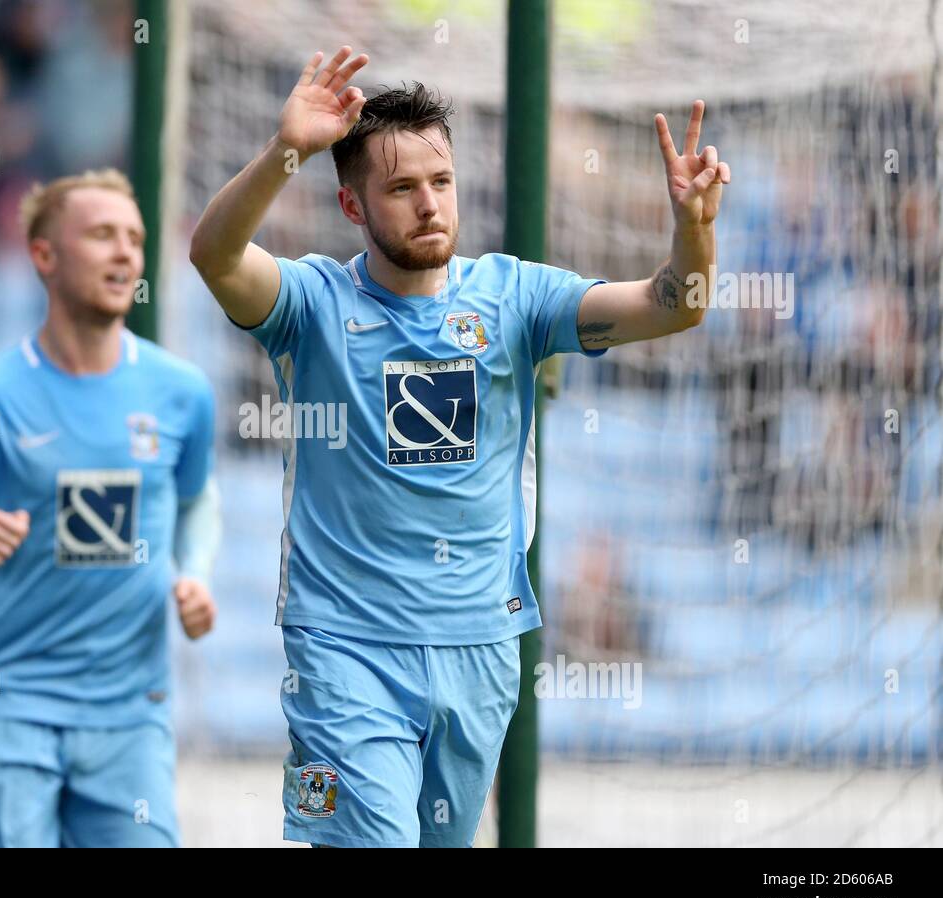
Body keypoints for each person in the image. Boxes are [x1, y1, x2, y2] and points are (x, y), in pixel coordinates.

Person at [189, 47, 730, 847]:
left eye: (441, 183)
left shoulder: (516, 297)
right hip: (345, 648)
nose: (429, 205)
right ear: (351, 204)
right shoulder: (311, 303)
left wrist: (693, 234)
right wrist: (285, 152)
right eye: (401, 188)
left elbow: (670, 306)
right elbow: (214, 256)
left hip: (480, 648)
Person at [0, 170, 220, 848]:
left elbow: (197, 499)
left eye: (135, 237)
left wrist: (195, 572)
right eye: (103, 235)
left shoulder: (182, 392)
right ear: (44, 256)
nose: (127, 253)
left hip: (132, 719)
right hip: (12, 708)